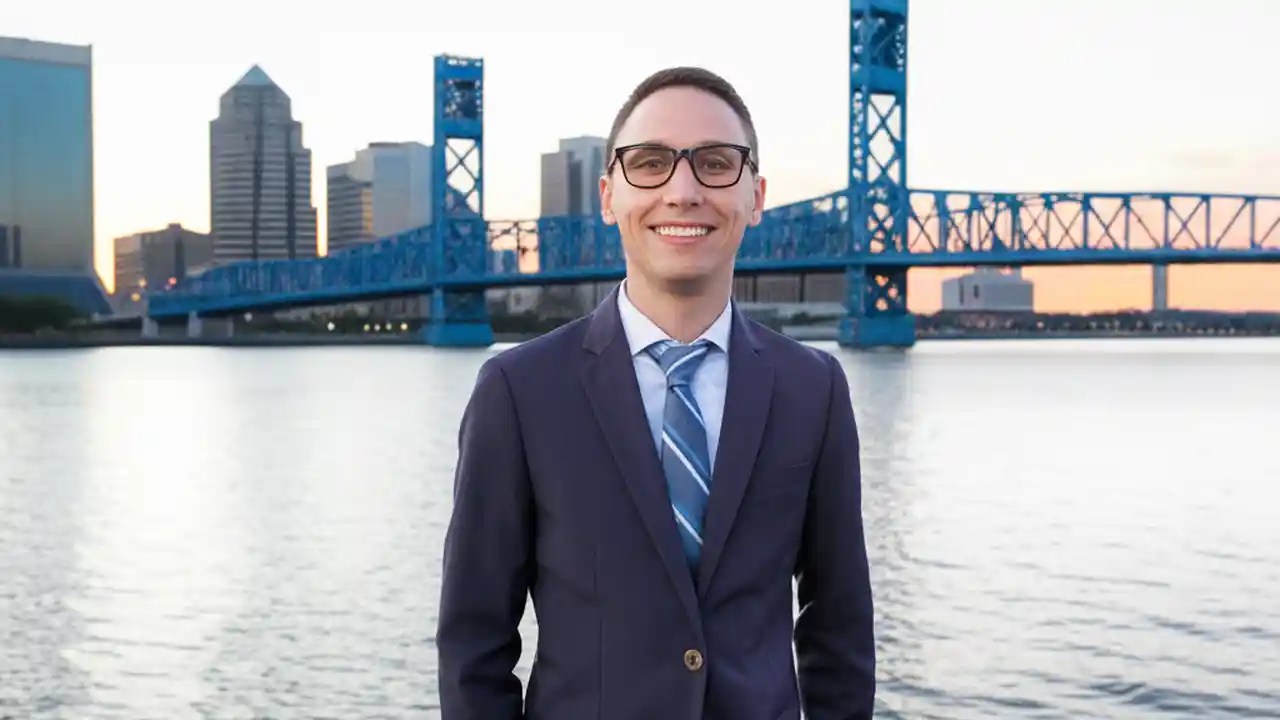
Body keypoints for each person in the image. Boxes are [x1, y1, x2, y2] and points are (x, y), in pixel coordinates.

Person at [436, 66, 875, 719]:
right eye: (651, 163)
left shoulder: (815, 390)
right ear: (609, 195)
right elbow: (475, 643)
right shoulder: (519, 391)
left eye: (716, 164)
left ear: (756, 197)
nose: (683, 190)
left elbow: (838, 630)